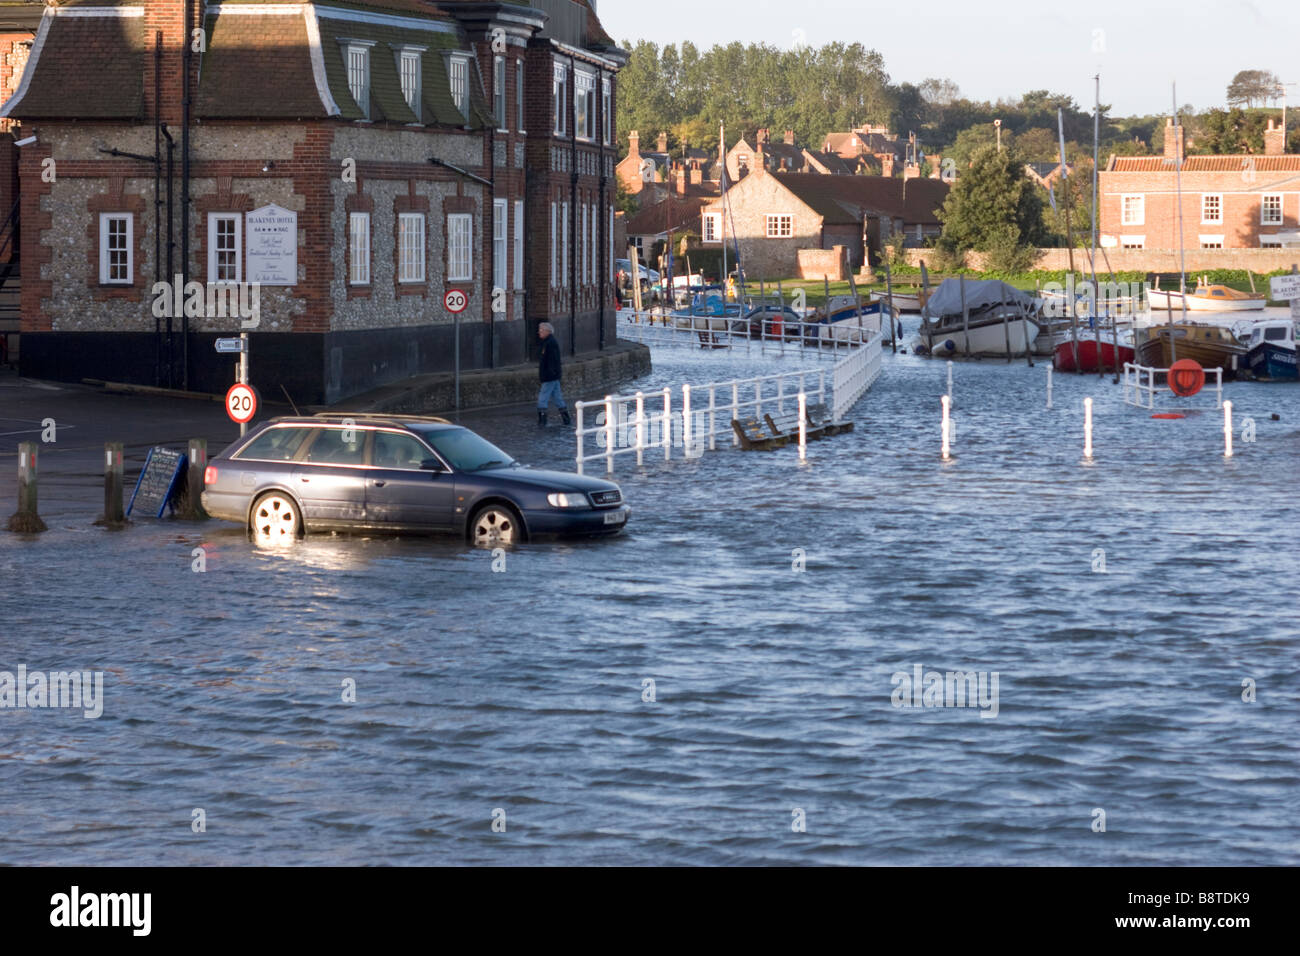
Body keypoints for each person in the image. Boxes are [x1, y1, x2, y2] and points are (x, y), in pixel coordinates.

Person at [537, 322, 570, 427]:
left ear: (547, 331)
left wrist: (549, 374)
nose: (539, 332)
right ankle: (566, 419)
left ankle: (542, 421)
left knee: (543, 398)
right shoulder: (548, 342)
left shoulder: (550, 343)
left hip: (549, 376)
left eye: (541, 330)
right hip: (553, 375)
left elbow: (552, 360)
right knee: (558, 398)